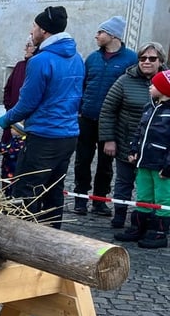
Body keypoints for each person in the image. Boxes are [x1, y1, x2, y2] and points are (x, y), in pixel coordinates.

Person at [0, 6, 84, 229]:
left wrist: (7, 119)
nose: (31, 30)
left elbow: (27, 103)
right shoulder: (77, 57)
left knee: (27, 190)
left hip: (44, 135)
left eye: (34, 26)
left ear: (44, 31)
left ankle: (26, 240)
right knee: (54, 189)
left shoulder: (40, 60)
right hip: (68, 135)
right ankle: (53, 237)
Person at [72, 16, 138, 217]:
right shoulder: (92, 58)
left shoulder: (131, 59)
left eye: (100, 32)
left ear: (112, 35)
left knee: (106, 162)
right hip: (87, 117)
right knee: (82, 160)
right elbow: (83, 85)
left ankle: (100, 199)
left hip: (113, 121)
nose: (96, 35)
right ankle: (80, 198)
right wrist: (81, 108)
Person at [99, 42, 168, 228]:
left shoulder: (167, 84)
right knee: (123, 183)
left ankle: (155, 222)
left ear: (161, 61)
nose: (146, 62)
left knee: (155, 187)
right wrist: (109, 139)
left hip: (156, 151)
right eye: (142, 58)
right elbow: (107, 110)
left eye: (152, 58)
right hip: (127, 143)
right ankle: (120, 216)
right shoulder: (124, 81)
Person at [114, 69, 170, 248]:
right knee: (143, 195)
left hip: (161, 165)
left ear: (164, 90)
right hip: (144, 161)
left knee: (163, 198)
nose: (150, 86)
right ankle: (139, 227)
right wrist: (133, 149)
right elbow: (140, 131)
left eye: (154, 85)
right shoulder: (149, 107)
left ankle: (159, 232)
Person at [0, 38, 35, 188]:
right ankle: (7, 190)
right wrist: (9, 109)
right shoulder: (20, 66)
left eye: (29, 45)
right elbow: (8, 89)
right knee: (8, 159)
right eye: (26, 45)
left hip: (27, 125)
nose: (26, 48)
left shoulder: (37, 67)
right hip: (12, 121)